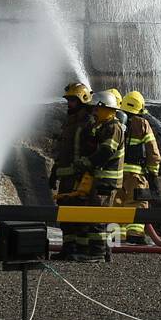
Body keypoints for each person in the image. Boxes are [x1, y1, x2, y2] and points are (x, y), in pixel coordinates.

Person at [56, 90, 125, 262]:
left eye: (97, 109)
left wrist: (86, 162)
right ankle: (100, 252)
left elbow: (106, 151)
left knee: (97, 218)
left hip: (106, 181)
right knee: (93, 216)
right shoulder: (102, 126)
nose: (94, 111)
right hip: (100, 180)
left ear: (106, 108)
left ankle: (97, 253)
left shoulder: (113, 127)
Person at [51, 82, 94, 261]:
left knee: (80, 215)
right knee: (65, 214)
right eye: (68, 100)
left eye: (72, 100)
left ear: (82, 100)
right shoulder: (70, 122)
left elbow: (91, 152)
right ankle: (68, 248)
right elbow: (64, 150)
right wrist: (54, 170)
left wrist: (83, 173)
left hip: (79, 178)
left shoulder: (88, 122)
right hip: (66, 178)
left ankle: (81, 250)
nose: (69, 103)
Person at [115, 91, 161, 245]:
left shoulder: (116, 122)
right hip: (136, 175)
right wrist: (153, 173)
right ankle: (135, 235)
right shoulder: (142, 124)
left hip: (116, 173)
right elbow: (152, 151)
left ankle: (117, 237)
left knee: (117, 204)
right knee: (138, 204)